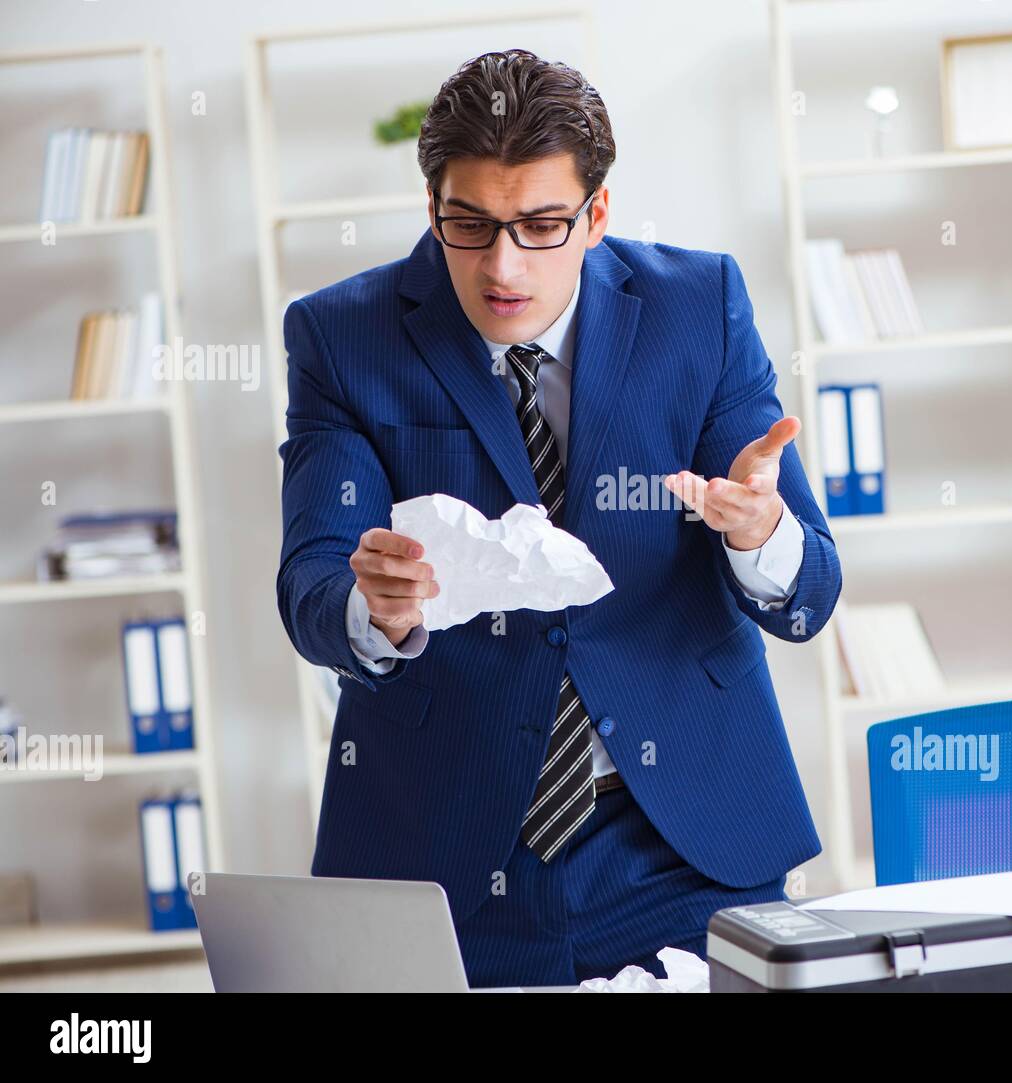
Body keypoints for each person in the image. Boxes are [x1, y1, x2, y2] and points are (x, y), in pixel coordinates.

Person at [276, 48, 842, 987]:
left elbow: (810, 593)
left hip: (684, 843)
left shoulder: (697, 307)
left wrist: (758, 534)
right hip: (447, 853)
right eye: (469, 225)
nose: (502, 267)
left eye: (541, 226)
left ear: (598, 213)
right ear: (431, 206)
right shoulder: (343, 334)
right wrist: (371, 607)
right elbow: (311, 580)